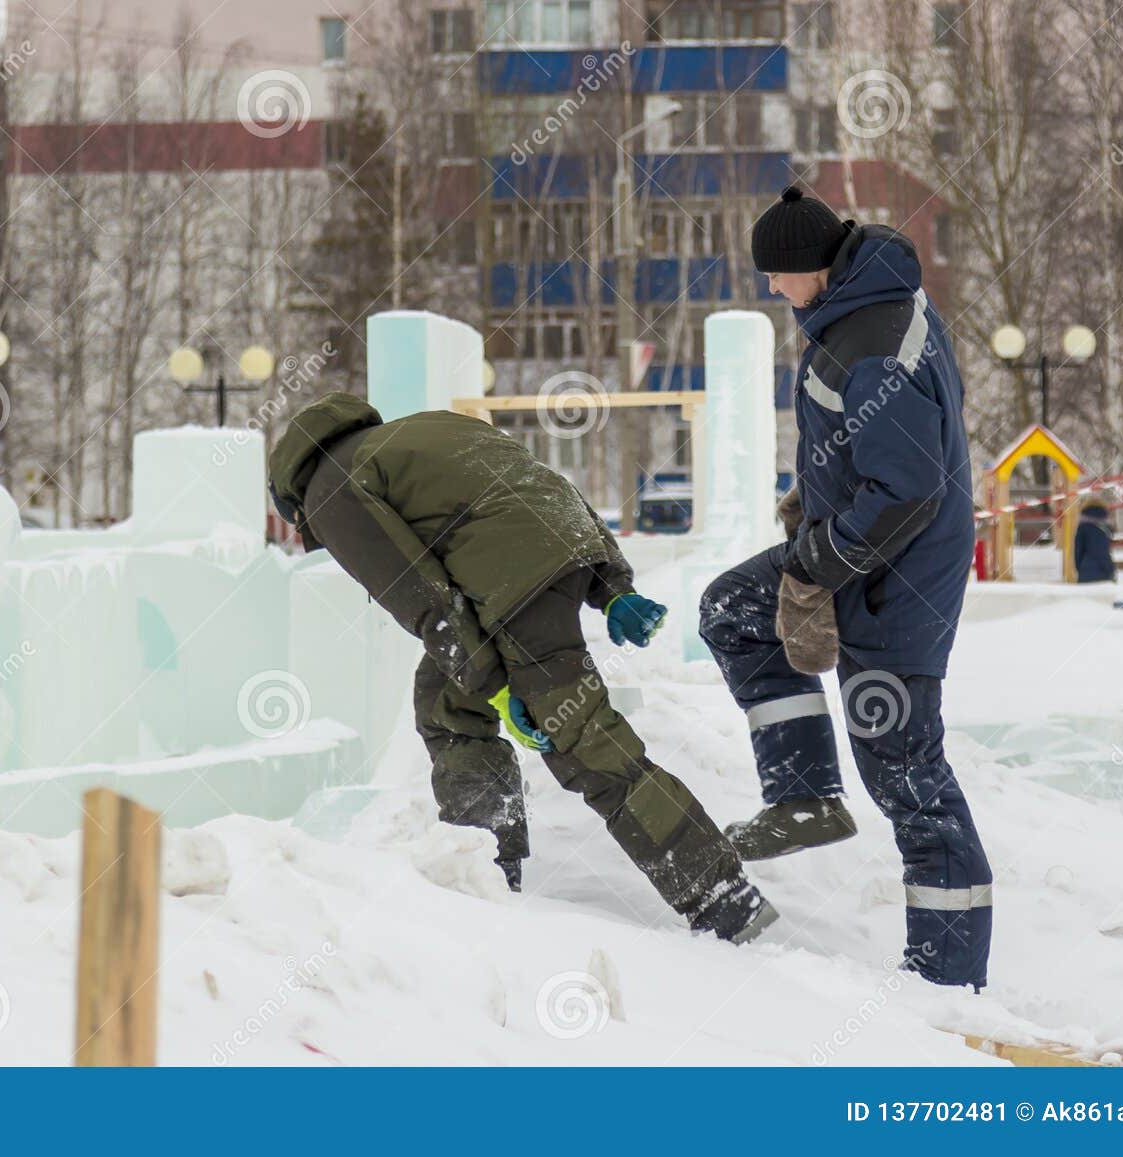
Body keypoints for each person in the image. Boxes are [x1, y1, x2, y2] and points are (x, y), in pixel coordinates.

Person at [268, 392, 778, 944]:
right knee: (444, 706)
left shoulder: (331, 489)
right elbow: (548, 490)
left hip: (513, 590)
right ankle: (483, 863)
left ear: (293, 495)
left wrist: (495, 688)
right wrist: (611, 588)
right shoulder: (421, 430)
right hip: (555, 555)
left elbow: (423, 598)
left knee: (587, 745)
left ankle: (721, 896)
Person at [697, 186, 992, 989]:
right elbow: (881, 455)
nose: (770, 288)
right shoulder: (864, 308)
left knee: (906, 771)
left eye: (775, 275)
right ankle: (805, 798)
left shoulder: (869, 338)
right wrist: (815, 500)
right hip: (866, 553)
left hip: (899, 582)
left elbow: (906, 489)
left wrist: (815, 562)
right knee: (732, 609)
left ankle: (947, 974)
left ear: (809, 267)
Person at [1074, 499, 1116, 583]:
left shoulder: (1082, 526)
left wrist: (1080, 568)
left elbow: (1078, 551)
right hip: (1105, 569)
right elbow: (1104, 550)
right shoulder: (1107, 527)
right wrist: (1111, 570)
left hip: (1086, 570)